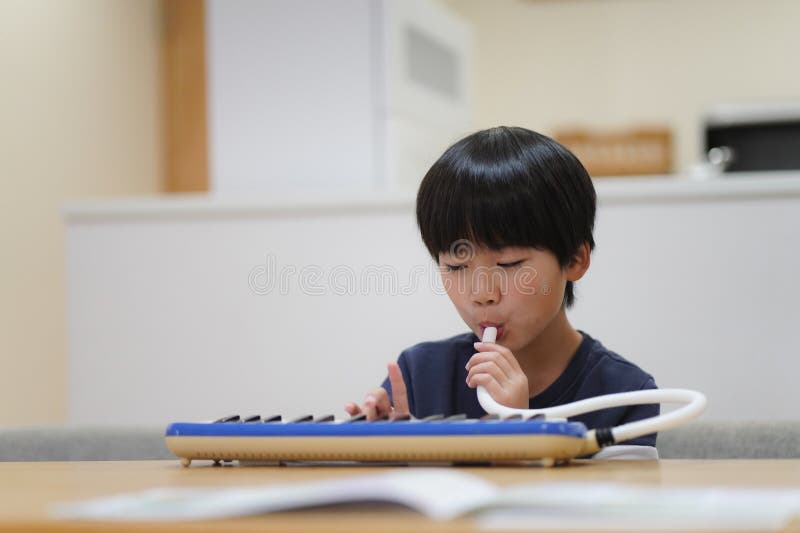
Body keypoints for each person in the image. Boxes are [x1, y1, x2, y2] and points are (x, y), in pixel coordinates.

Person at [344, 126, 659, 449]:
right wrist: (389, 453)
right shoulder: (419, 375)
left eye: (508, 264)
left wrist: (517, 434)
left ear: (575, 260)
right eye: (456, 267)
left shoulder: (627, 396)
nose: (482, 294)